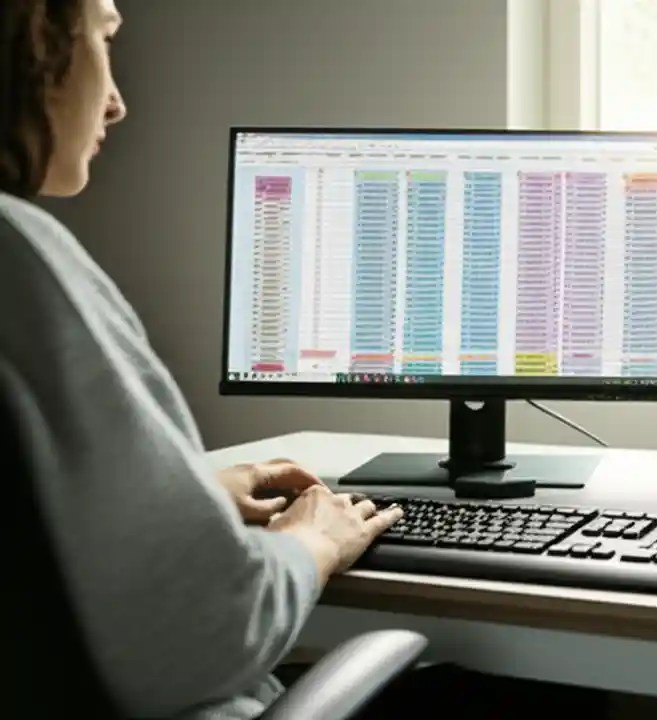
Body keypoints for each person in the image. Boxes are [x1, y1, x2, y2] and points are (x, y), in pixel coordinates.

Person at [0, 1, 404, 718]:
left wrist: (183, 496)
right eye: (104, 37)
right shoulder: (16, 257)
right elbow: (215, 633)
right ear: (32, 48)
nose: (118, 102)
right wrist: (314, 540)